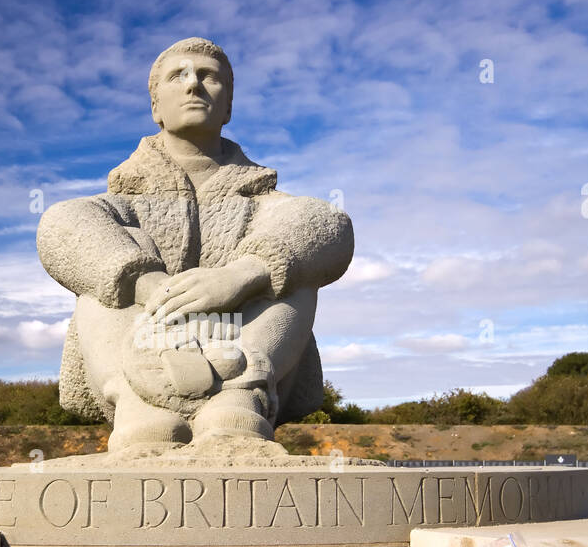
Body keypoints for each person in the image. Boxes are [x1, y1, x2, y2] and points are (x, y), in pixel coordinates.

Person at [37, 37, 354, 453]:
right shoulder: (123, 203)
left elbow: (328, 223)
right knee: (106, 253)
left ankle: (242, 396)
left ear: (228, 107)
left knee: (290, 250)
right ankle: (138, 403)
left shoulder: (264, 202)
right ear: (155, 107)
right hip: (142, 353)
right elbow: (60, 223)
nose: (193, 85)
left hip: (243, 352)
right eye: (178, 76)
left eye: (209, 76)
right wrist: (147, 282)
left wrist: (243, 275)